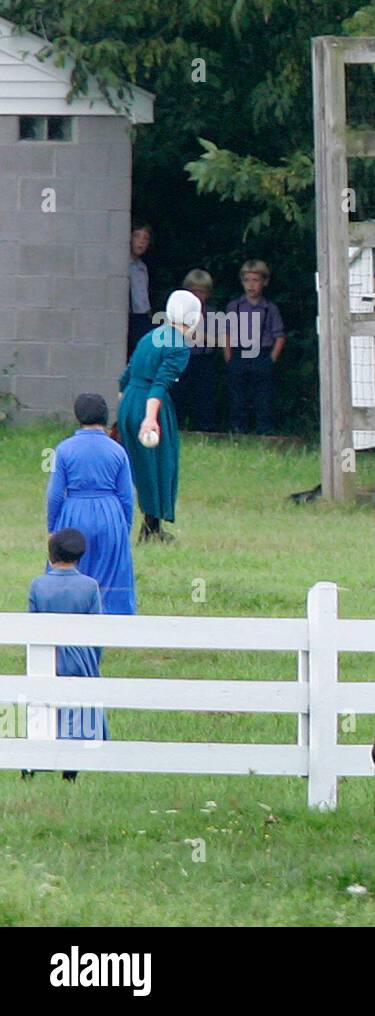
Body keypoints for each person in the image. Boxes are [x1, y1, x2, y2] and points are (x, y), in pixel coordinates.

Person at [27, 528, 110, 780]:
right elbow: (96, 628)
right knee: (78, 705)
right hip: (79, 655)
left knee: (42, 704)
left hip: (47, 654)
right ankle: (72, 765)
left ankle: (33, 762)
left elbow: (31, 624)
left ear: (51, 554)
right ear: (79, 556)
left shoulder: (38, 585)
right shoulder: (89, 586)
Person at [119, 290, 198, 543]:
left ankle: (149, 525)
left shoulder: (151, 336)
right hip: (148, 405)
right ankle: (152, 529)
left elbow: (126, 375)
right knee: (159, 464)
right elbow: (160, 384)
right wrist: (150, 418)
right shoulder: (179, 346)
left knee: (138, 466)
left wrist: (126, 409)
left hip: (130, 400)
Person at [46, 393, 136, 614]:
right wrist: (124, 526)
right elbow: (127, 495)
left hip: (75, 511)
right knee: (111, 572)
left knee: (74, 568)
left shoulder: (65, 449)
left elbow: (55, 494)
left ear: (78, 416)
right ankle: (110, 617)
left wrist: (52, 526)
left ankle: (69, 613)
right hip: (110, 512)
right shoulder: (117, 450)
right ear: (105, 416)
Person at [225, 259, 286, 435]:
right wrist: (229, 357)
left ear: (264, 282)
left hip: (262, 354)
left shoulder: (270, 308)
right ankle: (238, 430)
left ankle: (264, 430)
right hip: (239, 353)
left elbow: (279, 336)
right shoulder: (234, 306)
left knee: (263, 396)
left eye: (255, 280)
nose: (251, 285)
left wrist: (271, 359)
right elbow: (226, 333)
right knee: (238, 396)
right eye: (247, 280)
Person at [172, 269, 222, 432]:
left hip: (204, 359)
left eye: (202, 291)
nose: (198, 295)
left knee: (205, 394)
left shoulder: (213, 314)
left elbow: (220, 341)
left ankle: (206, 427)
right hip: (182, 357)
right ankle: (176, 425)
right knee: (179, 393)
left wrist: (202, 335)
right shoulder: (178, 313)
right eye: (193, 291)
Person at [126, 221, 153, 362]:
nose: (141, 242)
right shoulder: (124, 264)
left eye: (145, 239)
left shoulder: (142, 267)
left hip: (142, 316)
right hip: (129, 316)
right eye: (137, 236)